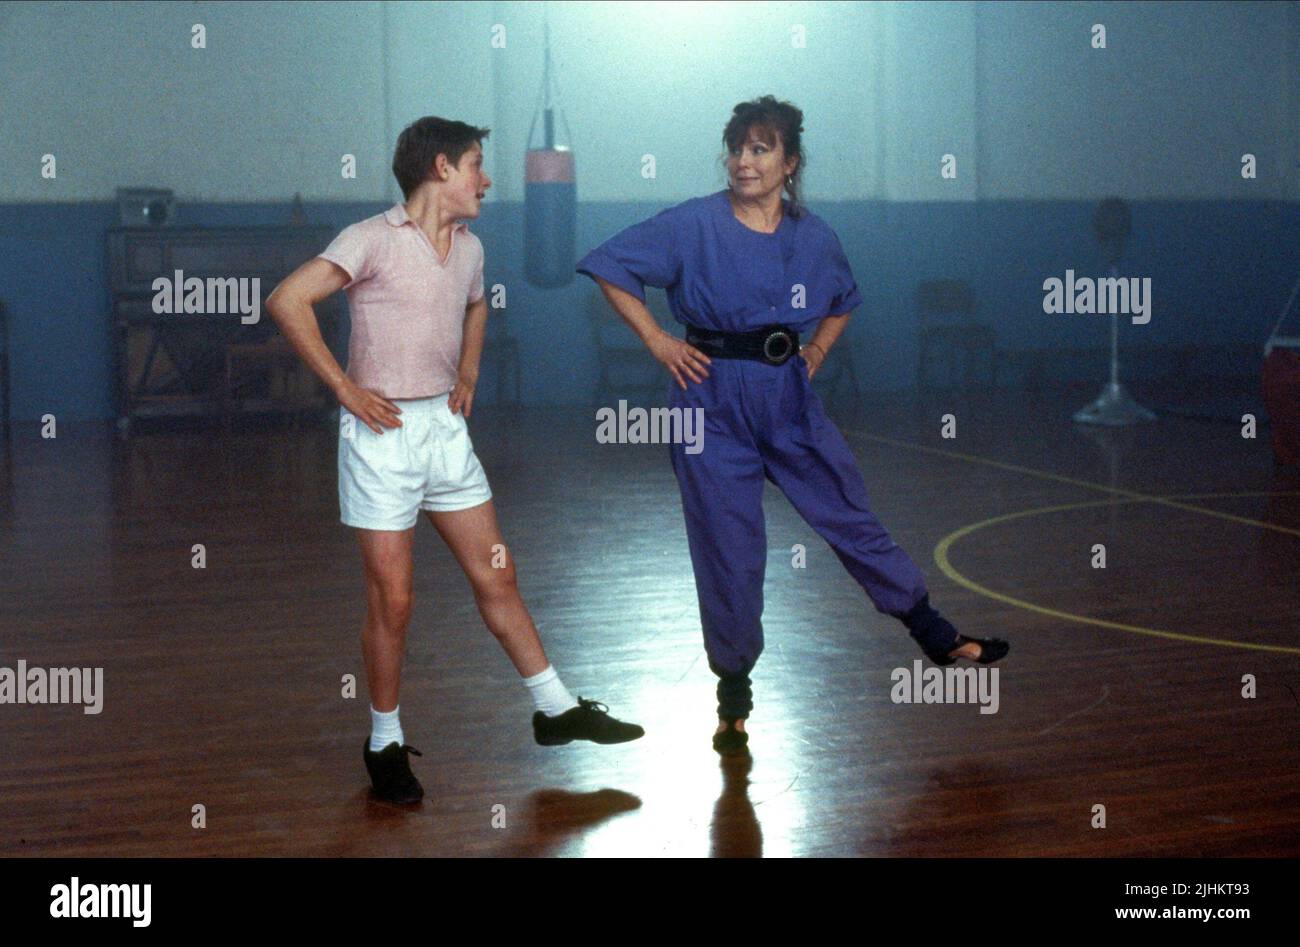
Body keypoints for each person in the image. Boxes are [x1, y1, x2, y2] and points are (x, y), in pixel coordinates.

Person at [577, 95, 1008, 755]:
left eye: (760, 148)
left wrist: (815, 353)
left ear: (789, 162)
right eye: (737, 148)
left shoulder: (814, 236)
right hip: (708, 399)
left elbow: (841, 300)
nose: (743, 161)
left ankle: (935, 632)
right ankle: (733, 696)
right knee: (730, 547)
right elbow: (610, 266)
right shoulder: (693, 223)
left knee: (848, 512)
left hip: (786, 397)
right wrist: (659, 342)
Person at [267, 117, 643, 805]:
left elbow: (475, 307)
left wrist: (468, 368)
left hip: (444, 429)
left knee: (498, 572)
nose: (488, 178)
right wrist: (346, 389)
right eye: (476, 164)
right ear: (441, 168)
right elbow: (287, 300)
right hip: (381, 438)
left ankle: (556, 707)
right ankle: (383, 742)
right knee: (396, 599)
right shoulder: (371, 239)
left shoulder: (469, 249)